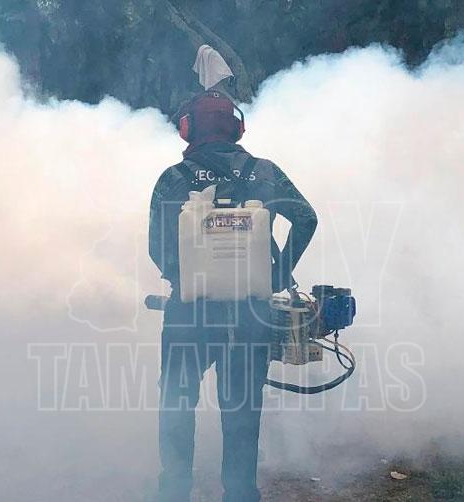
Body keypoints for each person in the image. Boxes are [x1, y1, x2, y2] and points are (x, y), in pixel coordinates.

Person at [148, 45, 317, 502]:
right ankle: (240, 493)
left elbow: (155, 248)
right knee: (241, 412)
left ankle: (173, 490)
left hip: (189, 316)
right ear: (238, 126)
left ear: (188, 130)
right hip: (250, 315)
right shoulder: (265, 173)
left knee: (177, 402)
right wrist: (278, 274)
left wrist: (185, 276)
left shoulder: (173, 178)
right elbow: (306, 218)